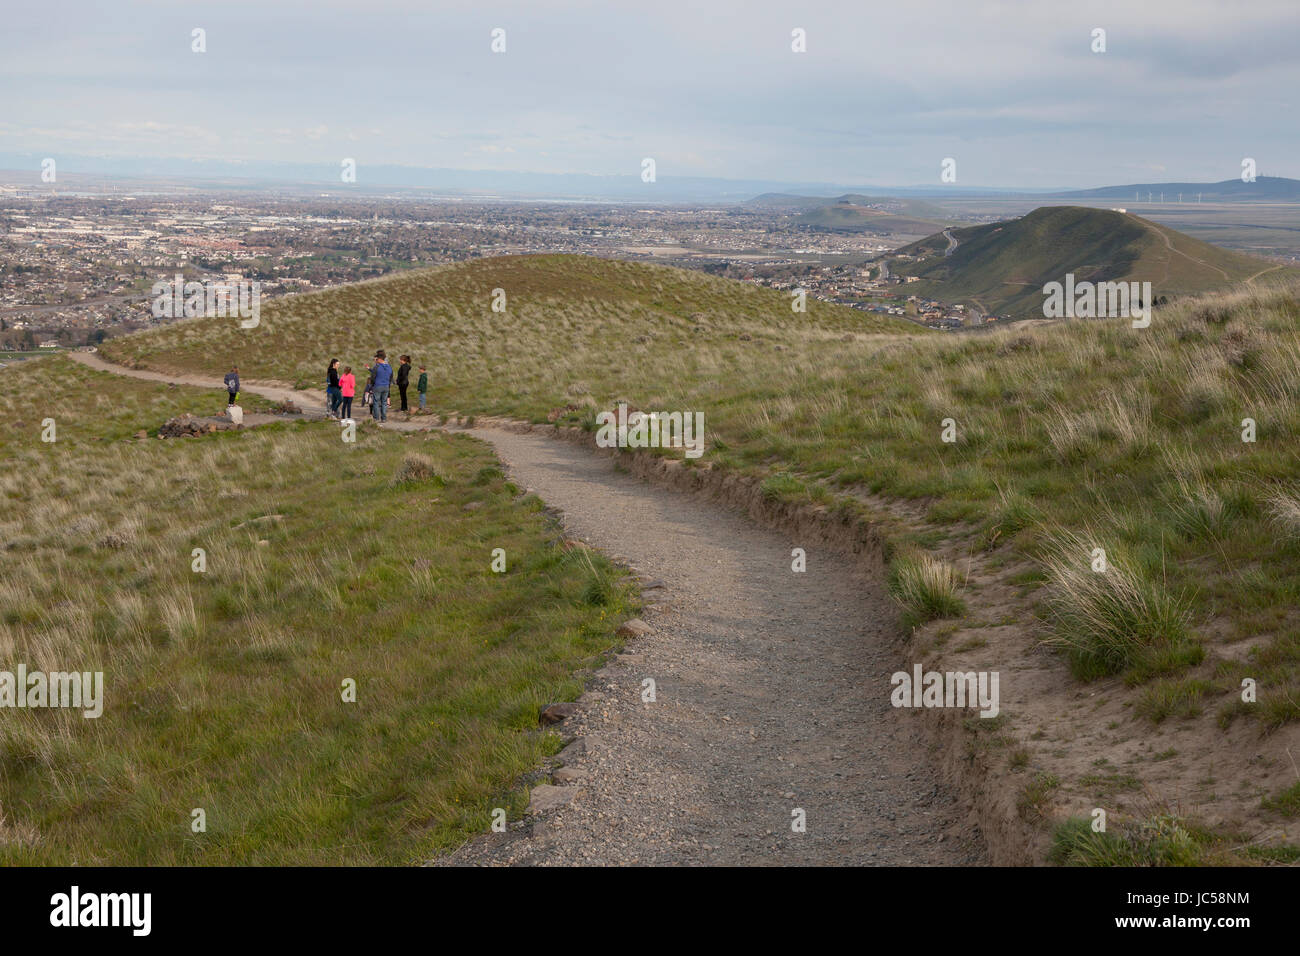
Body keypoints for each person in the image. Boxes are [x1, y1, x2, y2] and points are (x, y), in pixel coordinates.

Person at [370, 350, 392, 423]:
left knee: (376, 402)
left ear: (379, 359)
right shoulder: (389, 367)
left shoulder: (377, 367)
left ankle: (376, 418)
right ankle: (384, 418)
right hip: (386, 386)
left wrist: (372, 384)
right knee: (384, 402)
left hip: (378, 385)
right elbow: (391, 376)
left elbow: (372, 377)